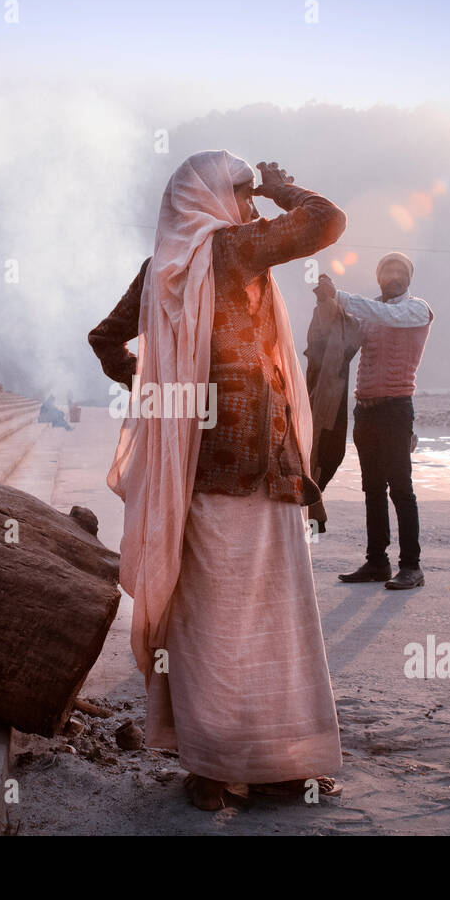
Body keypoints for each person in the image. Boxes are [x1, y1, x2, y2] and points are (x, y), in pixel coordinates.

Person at [90, 151, 346, 811]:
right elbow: (326, 221)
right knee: (255, 620)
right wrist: (284, 185)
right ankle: (252, 763)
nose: (251, 203)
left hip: (214, 469)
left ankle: (238, 766)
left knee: (220, 620)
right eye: (241, 190)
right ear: (209, 198)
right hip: (250, 465)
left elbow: (106, 341)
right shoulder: (232, 250)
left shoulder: (162, 268)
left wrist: (159, 392)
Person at [317, 252, 433, 589]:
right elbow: (340, 336)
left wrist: (340, 297)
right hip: (365, 409)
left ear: (408, 279)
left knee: (401, 488)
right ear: (379, 277)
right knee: (371, 488)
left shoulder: (416, 310)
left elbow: (383, 314)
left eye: (400, 271)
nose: (393, 275)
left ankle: (412, 567)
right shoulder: (368, 313)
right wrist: (327, 302)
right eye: (387, 270)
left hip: (397, 409)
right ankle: (376, 562)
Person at [302, 286, 364, 533]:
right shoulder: (336, 325)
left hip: (328, 399)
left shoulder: (345, 327)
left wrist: (327, 299)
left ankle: (312, 511)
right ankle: (312, 513)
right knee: (317, 452)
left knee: (321, 452)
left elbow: (346, 333)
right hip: (321, 394)